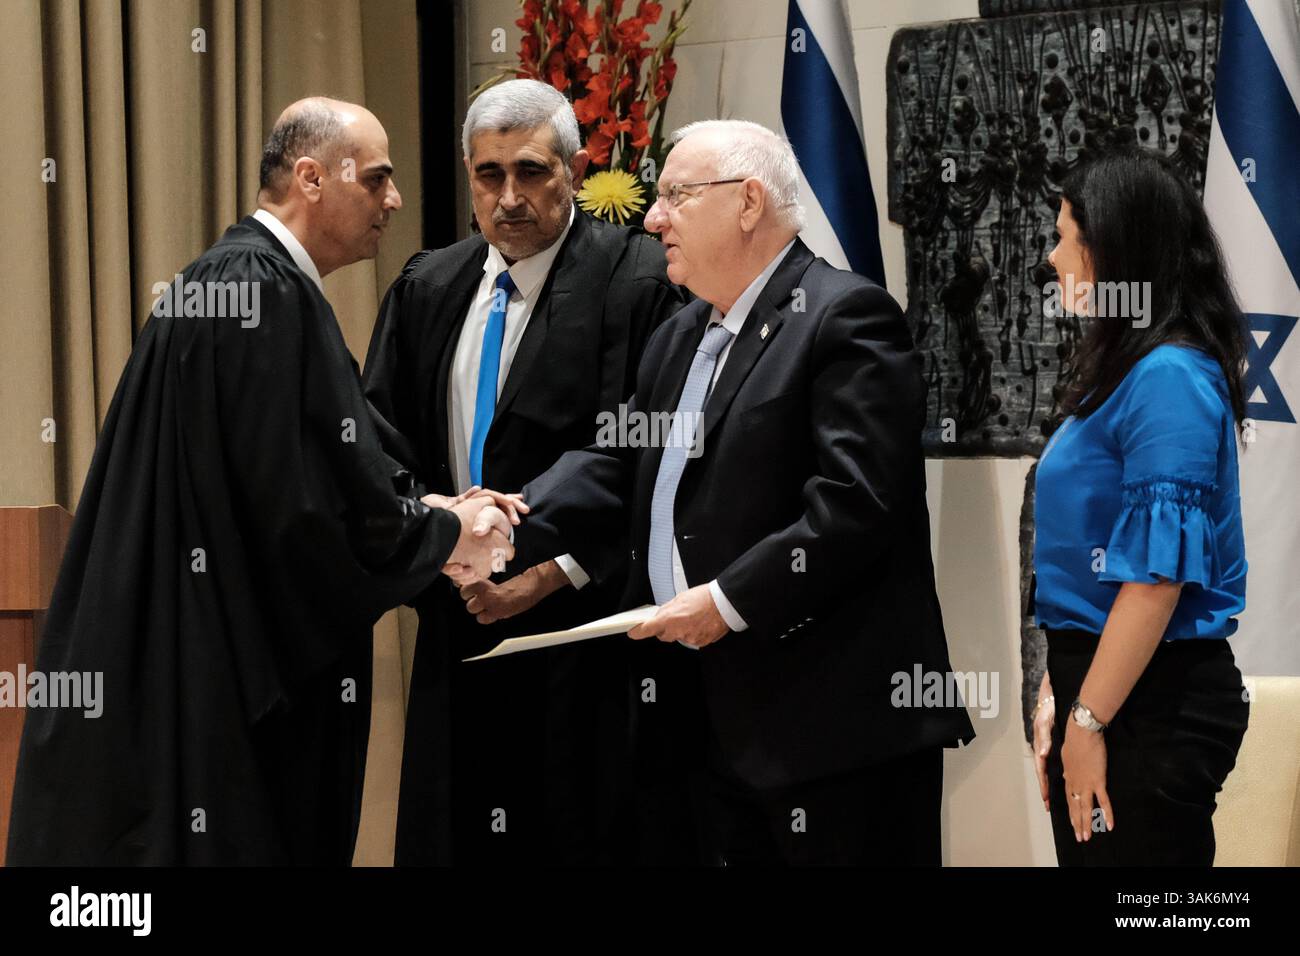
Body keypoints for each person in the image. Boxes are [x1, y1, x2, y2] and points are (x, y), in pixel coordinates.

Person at [5, 98, 518, 866]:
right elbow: (304, 510)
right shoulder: (261, 291)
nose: (395, 200)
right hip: (219, 695)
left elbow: (305, 470)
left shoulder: (232, 282)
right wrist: (444, 534)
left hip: (178, 660)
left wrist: (428, 509)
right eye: (377, 179)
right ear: (311, 177)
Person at [505, 119, 975, 866]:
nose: (652, 218)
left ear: (748, 201)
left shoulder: (845, 317)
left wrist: (727, 600)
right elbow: (619, 458)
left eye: (675, 196)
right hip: (690, 722)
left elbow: (855, 506)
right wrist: (502, 525)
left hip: (823, 737)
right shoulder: (682, 333)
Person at [363, 79, 683, 865]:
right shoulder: (427, 286)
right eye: (488, 174)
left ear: (575, 170)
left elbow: (648, 456)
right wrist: (436, 547)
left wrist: (549, 571)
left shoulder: (637, 281)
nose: (510, 197)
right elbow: (377, 443)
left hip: (585, 634)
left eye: (532, 171)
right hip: (455, 623)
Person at [1031, 147, 1251, 866]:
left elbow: (1157, 580)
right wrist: (1058, 693)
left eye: (1066, 236)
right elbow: (1085, 568)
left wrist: (1089, 720)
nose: (1053, 256)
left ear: (1114, 247)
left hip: (1152, 702)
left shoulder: (1169, 375)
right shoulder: (1128, 368)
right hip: (1103, 685)